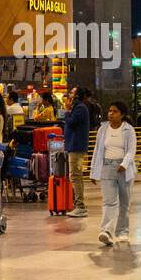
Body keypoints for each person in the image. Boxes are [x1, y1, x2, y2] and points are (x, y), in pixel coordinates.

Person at [91, 101, 136, 246]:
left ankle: (122, 232)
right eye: (109, 111)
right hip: (107, 167)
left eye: (115, 111)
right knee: (109, 202)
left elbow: (131, 150)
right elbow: (97, 151)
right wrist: (93, 171)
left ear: (122, 114)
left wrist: (124, 164)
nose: (110, 114)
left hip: (124, 169)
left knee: (124, 203)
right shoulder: (102, 130)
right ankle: (106, 231)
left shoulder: (129, 130)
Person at [64, 86, 93, 218]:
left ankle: (80, 206)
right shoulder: (79, 108)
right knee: (76, 175)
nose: (69, 95)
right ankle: (78, 205)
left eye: (72, 93)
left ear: (77, 96)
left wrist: (67, 110)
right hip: (73, 145)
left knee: (75, 176)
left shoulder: (80, 108)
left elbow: (71, 123)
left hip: (76, 146)